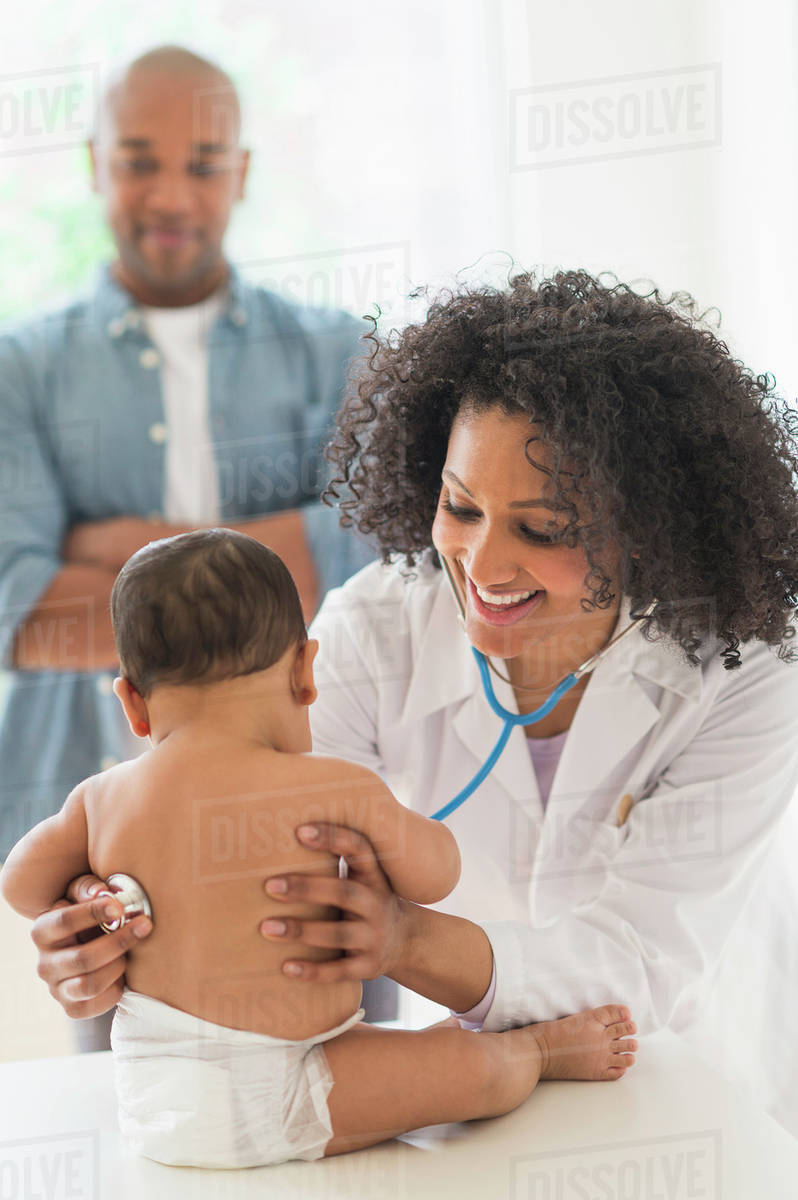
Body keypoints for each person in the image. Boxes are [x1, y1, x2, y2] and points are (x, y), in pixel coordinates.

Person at [30, 269, 798, 1136]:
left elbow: (644, 962)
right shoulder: (376, 629)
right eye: (461, 507)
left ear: (652, 526)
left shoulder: (745, 672)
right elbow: (239, 835)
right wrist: (118, 925)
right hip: (482, 1093)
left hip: (698, 1078)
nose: (483, 565)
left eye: (543, 531)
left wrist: (406, 943)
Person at [0, 529, 638, 1167]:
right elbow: (437, 876)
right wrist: (402, 834)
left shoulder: (100, 797)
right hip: (294, 1084)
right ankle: (538, 1051)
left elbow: (20, 886)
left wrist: (86, 895)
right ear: (307, 673)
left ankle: (450, 1042)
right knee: (480, 1074)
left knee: (391, 1056)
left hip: (154, 1102)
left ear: (133, 704)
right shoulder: (330, 786)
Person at [0, 44, 372, 870]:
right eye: (139, 163)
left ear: (239, 174)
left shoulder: (340, 351)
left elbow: (368, 569)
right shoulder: (17, 369)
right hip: (78, 832)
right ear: (97, 166)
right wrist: (275, 573)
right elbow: (22, 615)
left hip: (303, 822)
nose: (170, 196)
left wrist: (113, 549)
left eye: (202, 165)